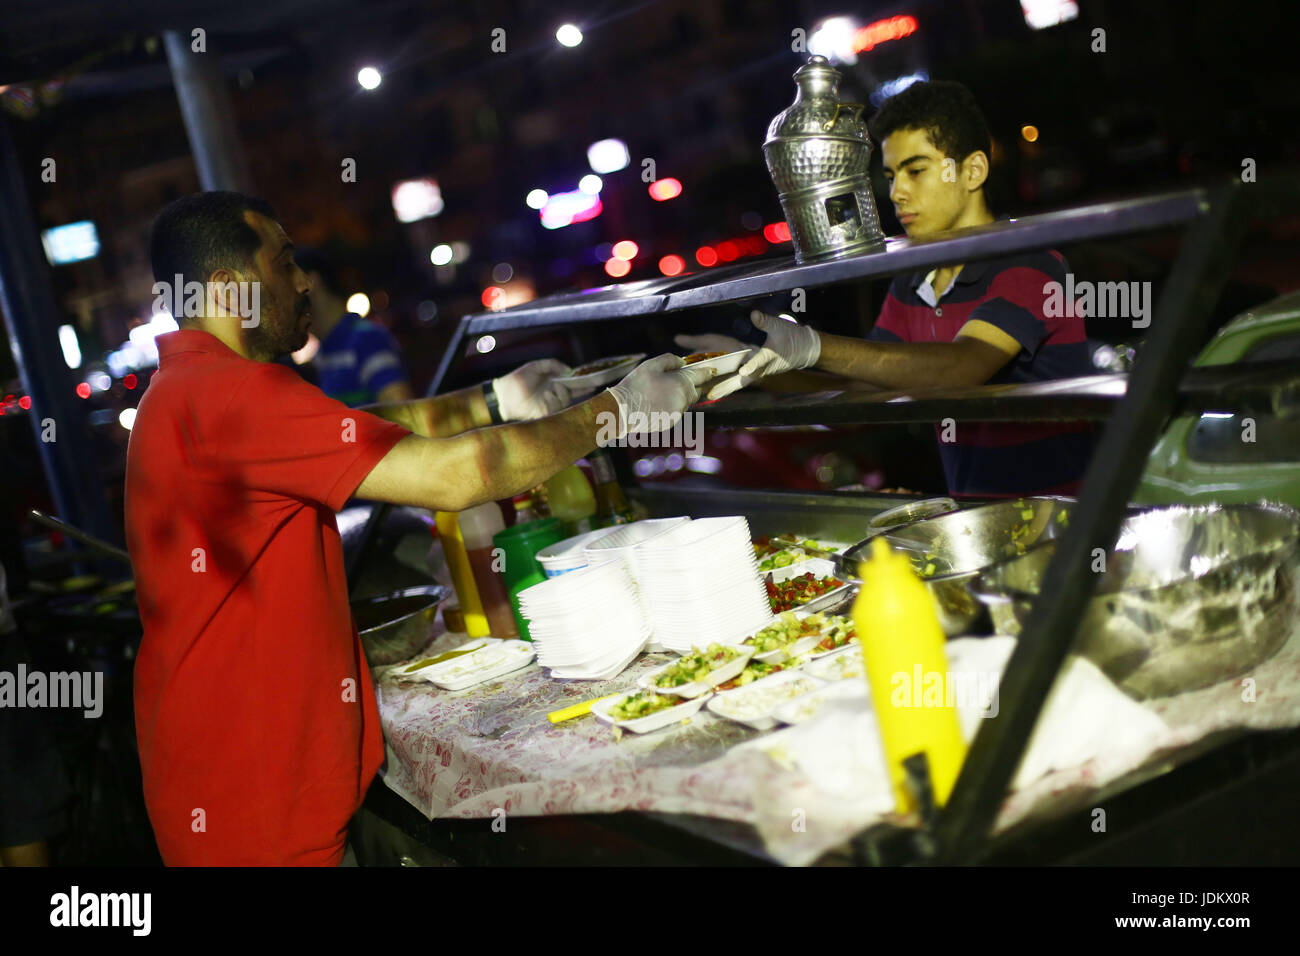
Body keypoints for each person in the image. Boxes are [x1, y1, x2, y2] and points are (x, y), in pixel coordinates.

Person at [125, 191, 703, 866]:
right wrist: (616, 410)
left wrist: (494, 399)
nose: (303, 279)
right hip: (260, 810)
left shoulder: (187, 391)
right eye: (284, 262)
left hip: (222, 784)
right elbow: (459, 477)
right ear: (232, 289)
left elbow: (367, 432)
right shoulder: (232, 396)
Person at [681, 81, 1095, 498]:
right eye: (891, 175)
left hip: (1064, 519)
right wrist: (755, 368)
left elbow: (963, 368)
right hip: (980, 518)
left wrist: (813, 346)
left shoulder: (1030, 264)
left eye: (916, 170)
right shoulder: (915, 278)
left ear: (973, 171)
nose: (897, 192)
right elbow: (867, 386)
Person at [290, 246, 414, 406]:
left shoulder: (367, 340)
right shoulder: (324, 352)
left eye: (287, 284)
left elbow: (402, 412)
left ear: (311, 282)